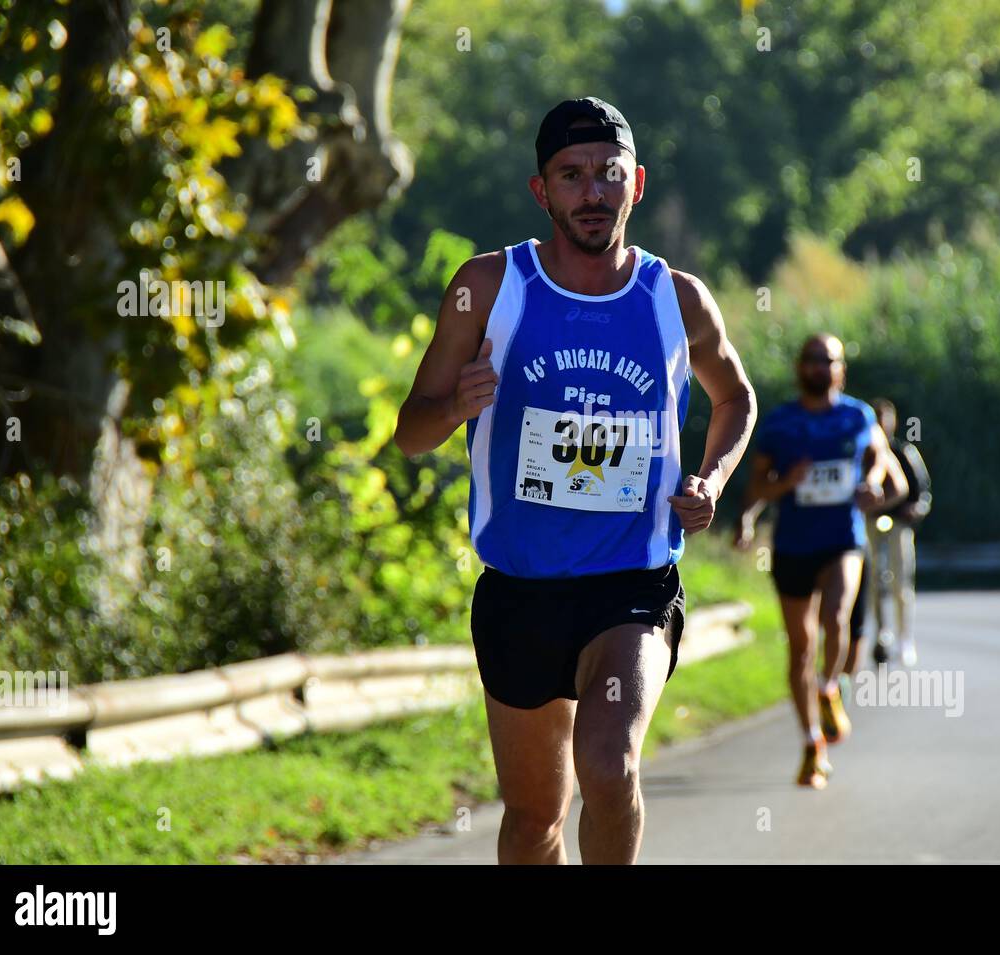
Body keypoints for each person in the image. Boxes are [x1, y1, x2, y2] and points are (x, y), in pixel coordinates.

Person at [394, 97, 756, 863]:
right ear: (542, 191)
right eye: (572, 175)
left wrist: (714, 479)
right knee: (533, 822)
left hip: (633, 581)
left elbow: (737, 398)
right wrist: (455, 406)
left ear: (637, 183)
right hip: (519, 589)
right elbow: (410, 432)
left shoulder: (676, 298)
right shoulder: (491, 287)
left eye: (608, 174)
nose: (592, 192)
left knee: (609, 764)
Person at [733, 334, 905, 788]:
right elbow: (756, 489)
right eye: (810, 359)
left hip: (842, 539)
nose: (818, 367)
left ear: (841, 368)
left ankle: (829, 689)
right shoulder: (780, 424)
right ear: (798, 367)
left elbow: (884, 468)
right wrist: (777, 490)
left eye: (827, 360)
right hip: (792, 546)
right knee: (801, 646)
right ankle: (812, 743)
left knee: (837, 615)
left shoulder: (857, 415)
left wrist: (870, 484)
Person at [866, 398, 932, 667]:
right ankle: (882, 633)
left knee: (901, 581)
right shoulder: (865, 454)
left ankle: (906, 638)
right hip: (871, 524)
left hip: (899, 526)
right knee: (872, 580)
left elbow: (922, 491)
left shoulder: (905, 452)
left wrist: (915, 509)